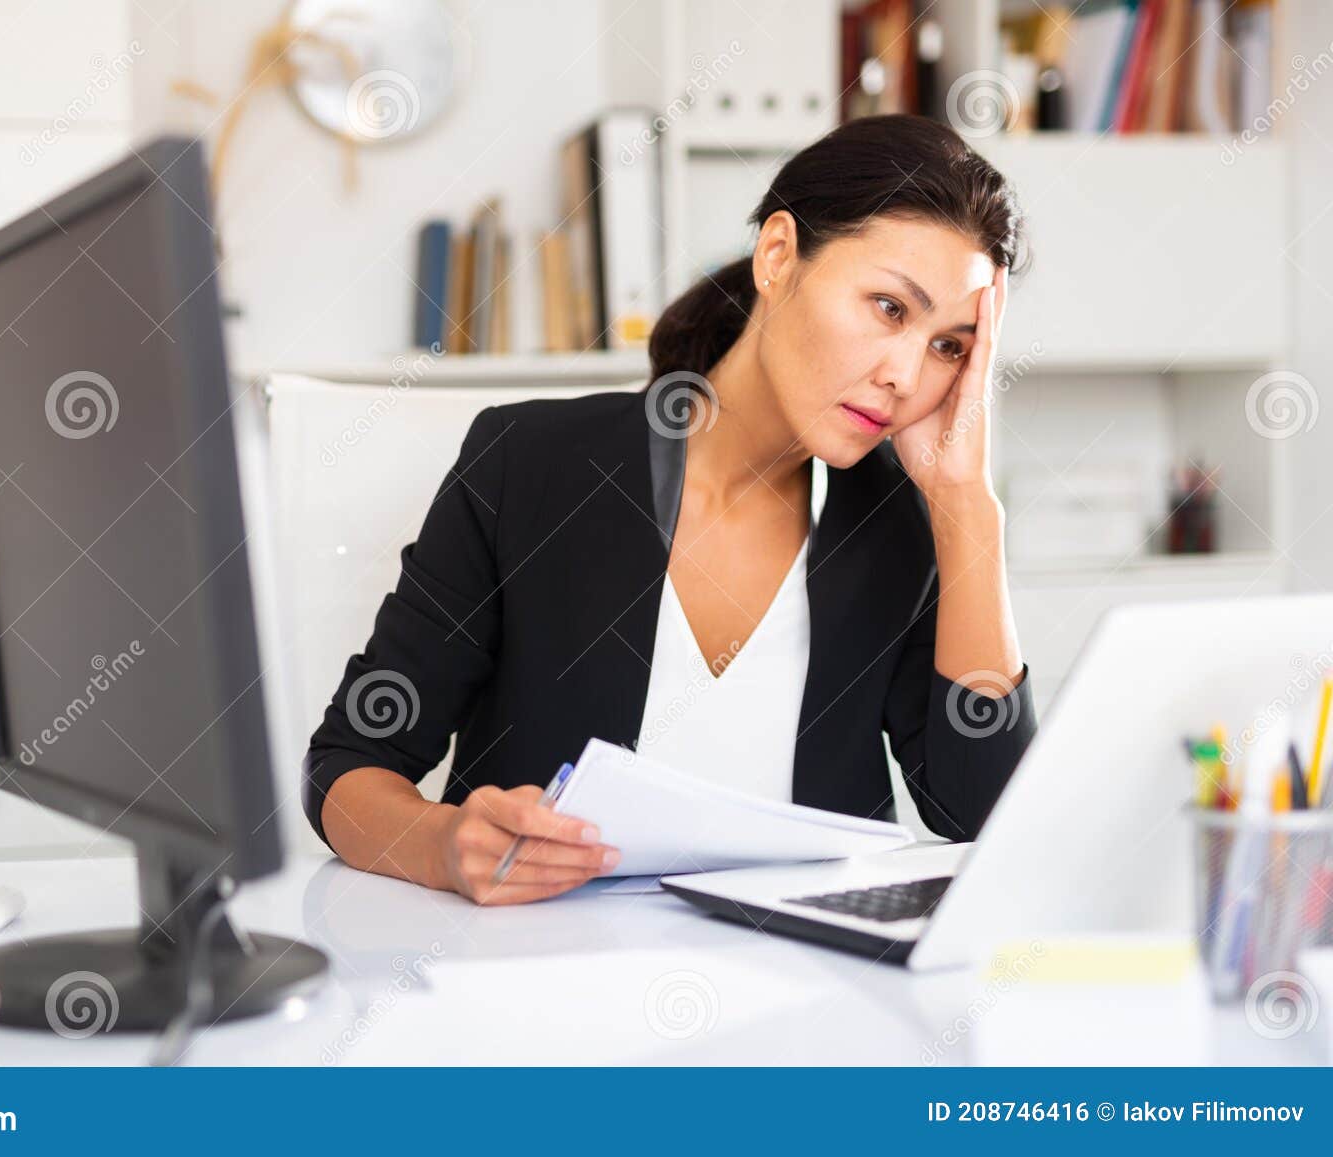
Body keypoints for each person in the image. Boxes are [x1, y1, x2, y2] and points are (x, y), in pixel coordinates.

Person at [303, 114, 1037, 905]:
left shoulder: (902, 527)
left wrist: (968, 506)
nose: (905, 374)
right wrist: (445, 846)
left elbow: (987, 817)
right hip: (535, 991)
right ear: (779, 255)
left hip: (805, 1001)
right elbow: (347, 766)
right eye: (891, 309)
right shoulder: (530, 464)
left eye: (949, 346)